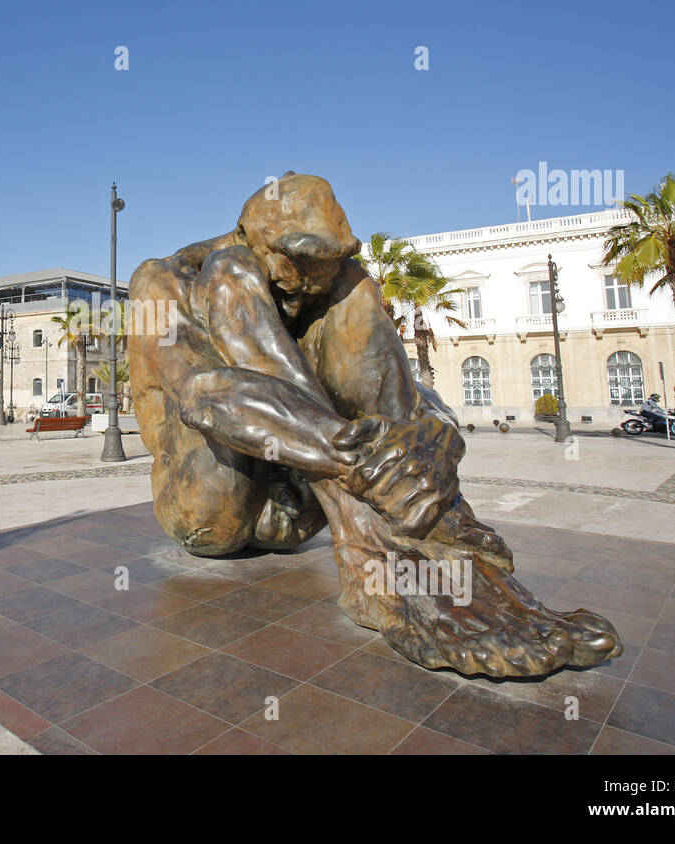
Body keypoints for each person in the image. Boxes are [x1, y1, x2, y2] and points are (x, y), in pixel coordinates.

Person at [128, 173, 621, 677]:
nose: (307, 282)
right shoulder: (165, 281)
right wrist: (363, 460)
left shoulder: (336, 281)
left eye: (324, 263)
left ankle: (442, 554)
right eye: (296, 262)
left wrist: (434, 437)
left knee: (356, 288)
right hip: (216, 510)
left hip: (300, 507)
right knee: (232, 279)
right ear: (247, 233)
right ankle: (382, 567)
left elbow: (409, 389)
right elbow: (205, 396)